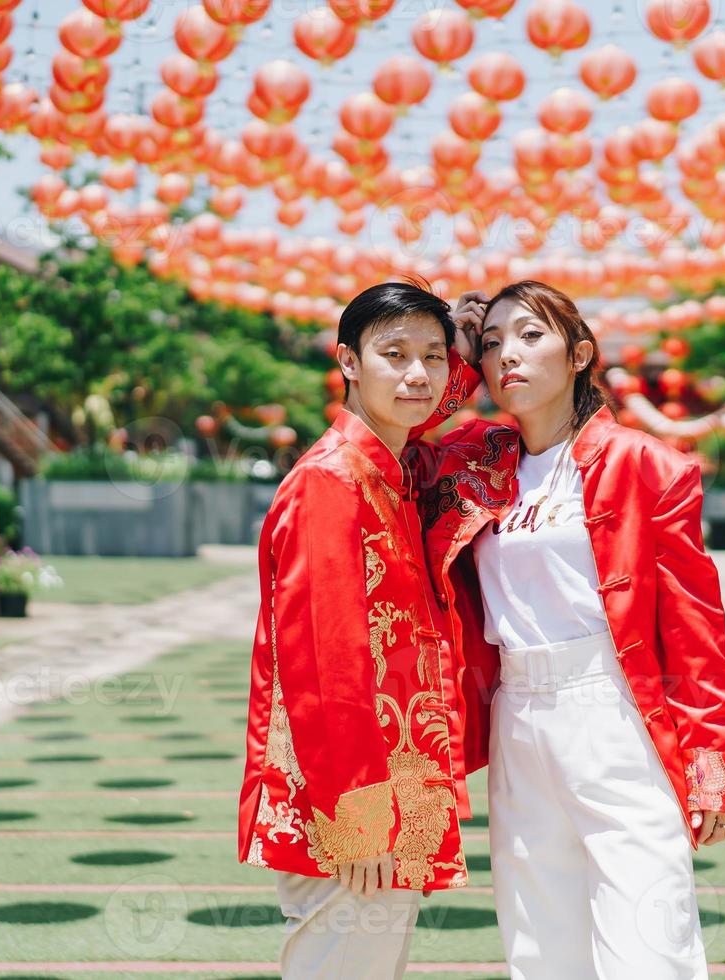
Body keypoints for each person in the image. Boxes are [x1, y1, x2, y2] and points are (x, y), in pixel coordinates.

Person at [406, 280, 725, 979]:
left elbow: (694, 624)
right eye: (494, 342)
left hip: (613, 711)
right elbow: (401, 437)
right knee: (540, 941)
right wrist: (459, 357)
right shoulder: (475, 460)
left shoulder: (647, 466)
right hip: (517, 716)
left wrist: (715, 760)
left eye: (532, 336)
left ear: (580, 354)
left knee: (649, 936)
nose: (510, 356)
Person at [236, 279, 486, 980]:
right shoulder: (333, 483)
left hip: (390, 793)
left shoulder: (389, 469)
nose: (418, 373)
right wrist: (360, 820)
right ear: (347, 361)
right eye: (394, 353)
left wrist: (458, 346)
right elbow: (325, 667)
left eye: (434, 357)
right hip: (350, 807)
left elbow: (425, 395)